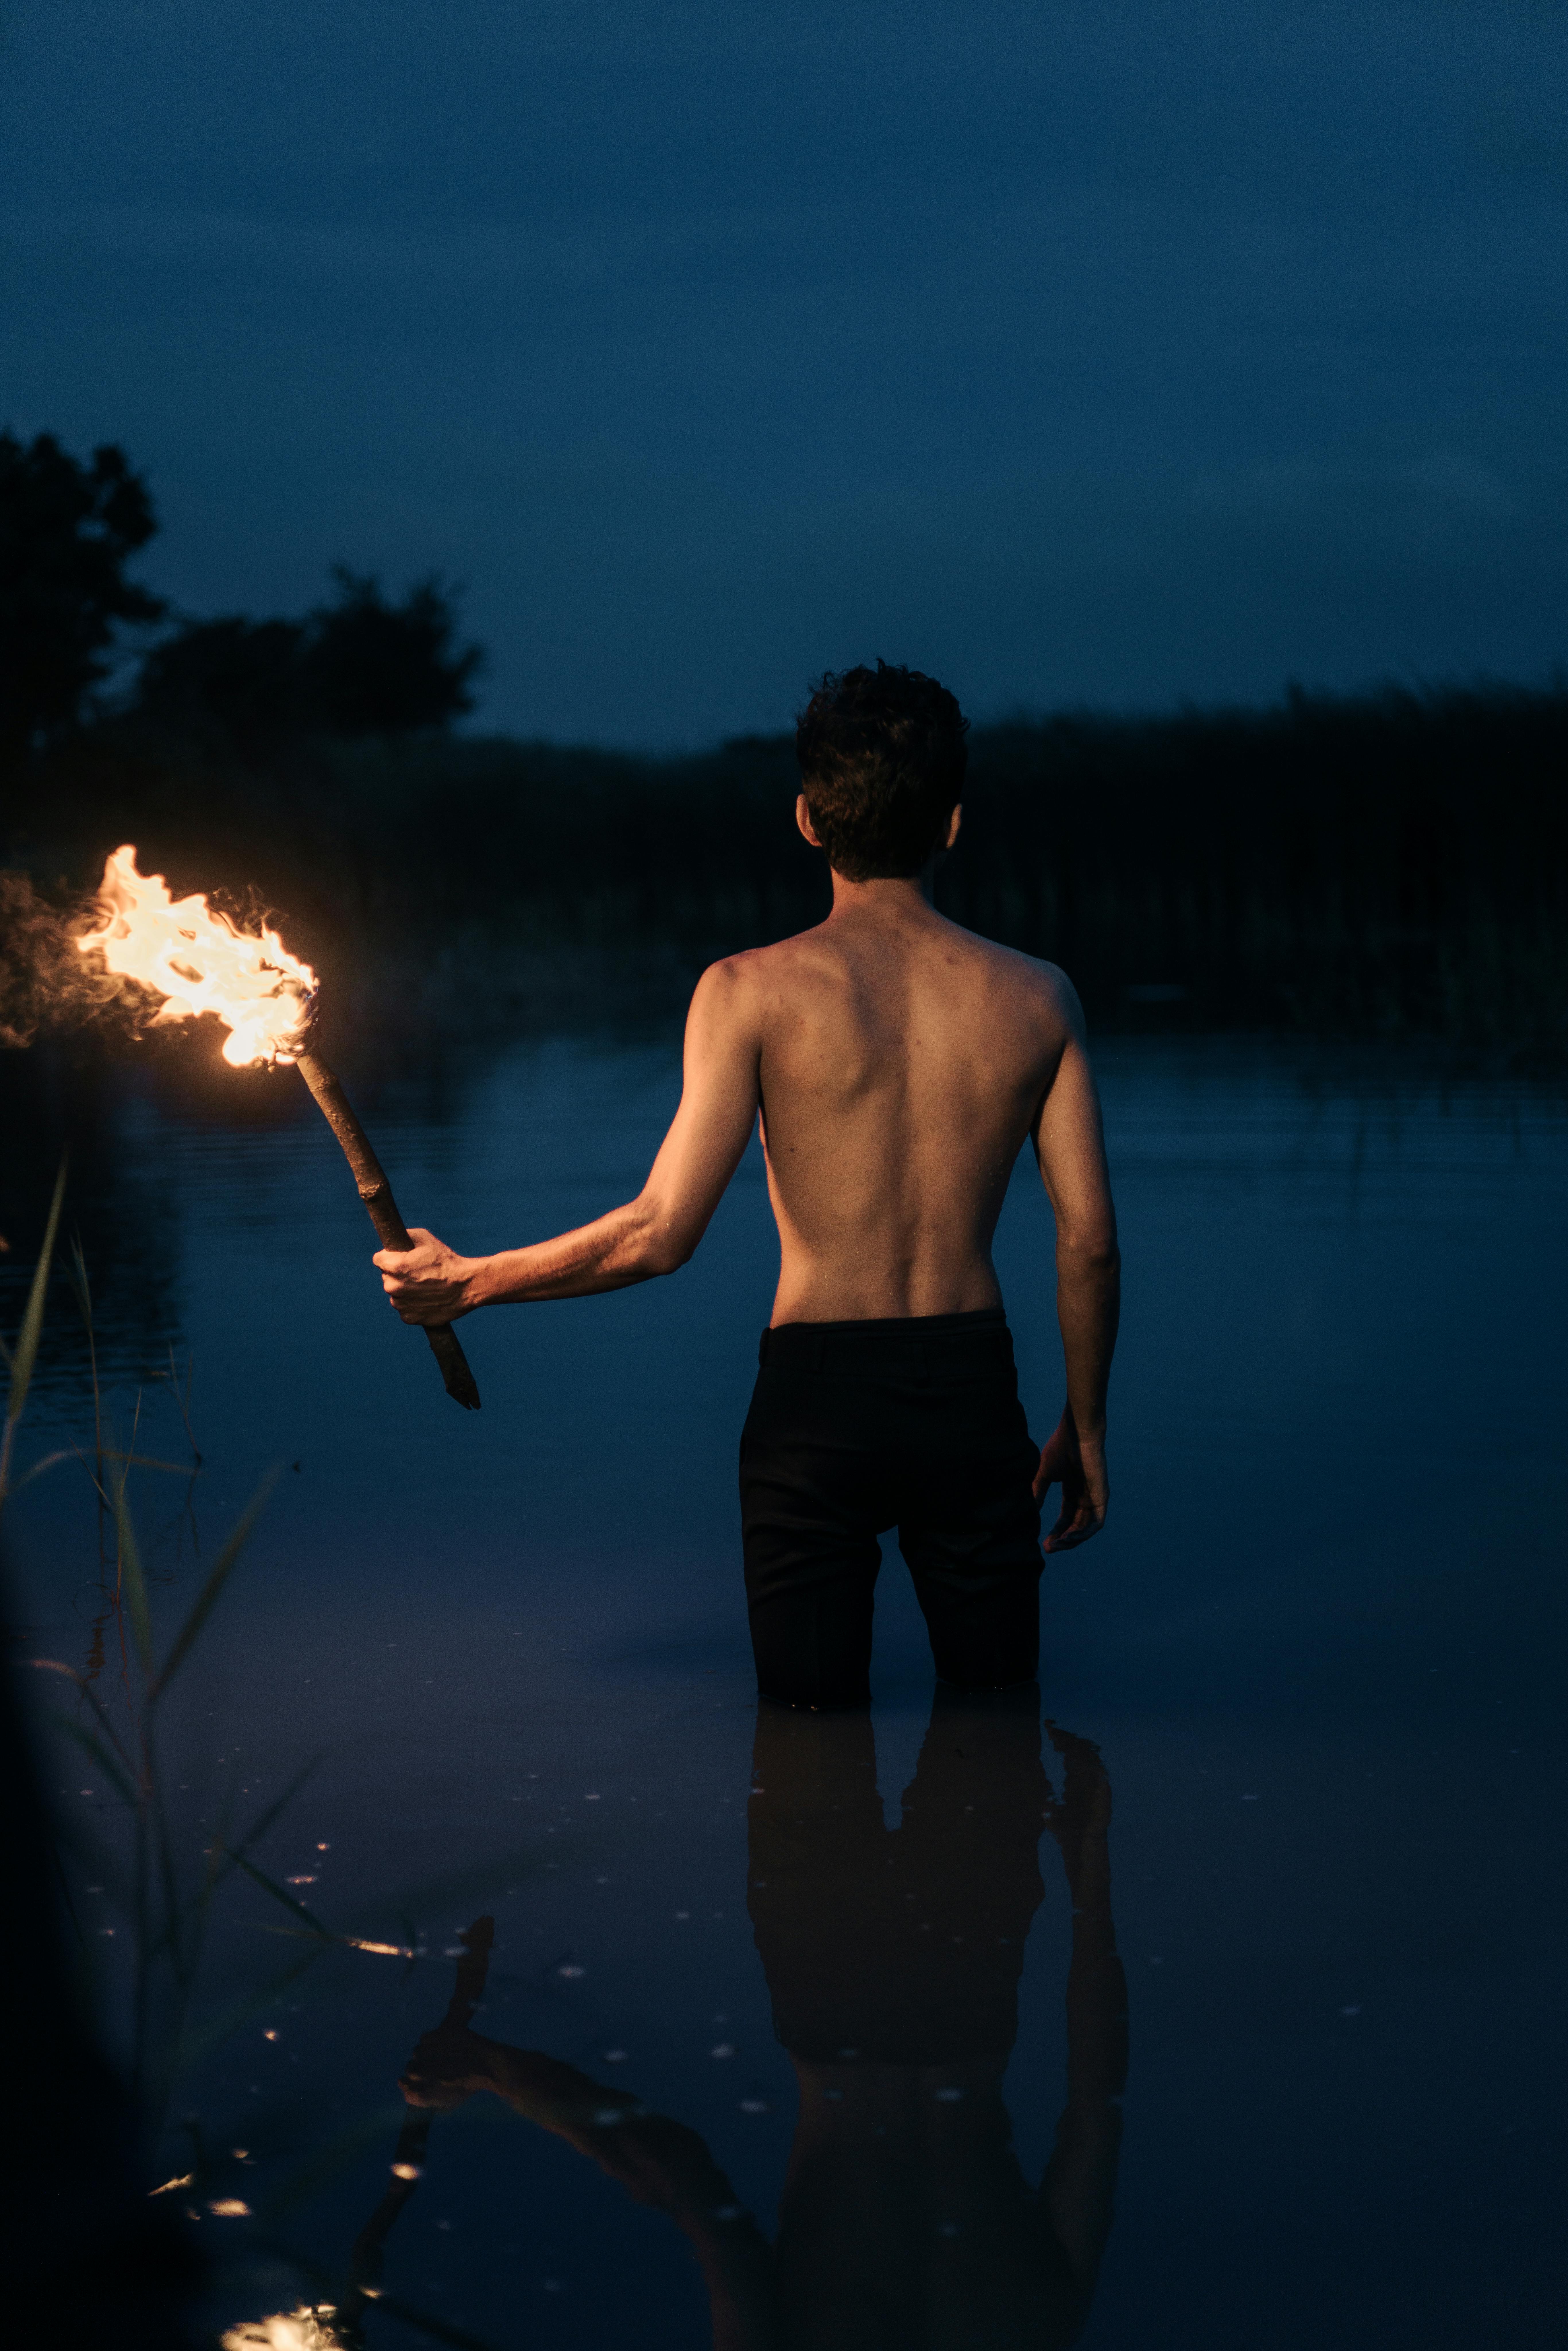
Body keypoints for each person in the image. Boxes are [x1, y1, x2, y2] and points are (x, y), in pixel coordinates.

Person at [376, 661, 1121, 1709]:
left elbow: (659, 1231)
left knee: (808, 1742)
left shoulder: (747, 992)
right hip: (967, 1390)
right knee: (997, 1725)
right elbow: (1088, 1242)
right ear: (953, 824)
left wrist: (477, 1281)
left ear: (809, 820)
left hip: (814, 1400)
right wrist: (1083, 1430)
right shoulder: (1040, 997)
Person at [396, 1697, 1128, 2350]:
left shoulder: (1044, 2334)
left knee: (967, 1689)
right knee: (809, 1710)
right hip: (831, 1992)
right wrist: (490, 2068)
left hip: (966, 1993)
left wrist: (1088, 1872)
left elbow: (1097, 2105)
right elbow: (684, 2181)